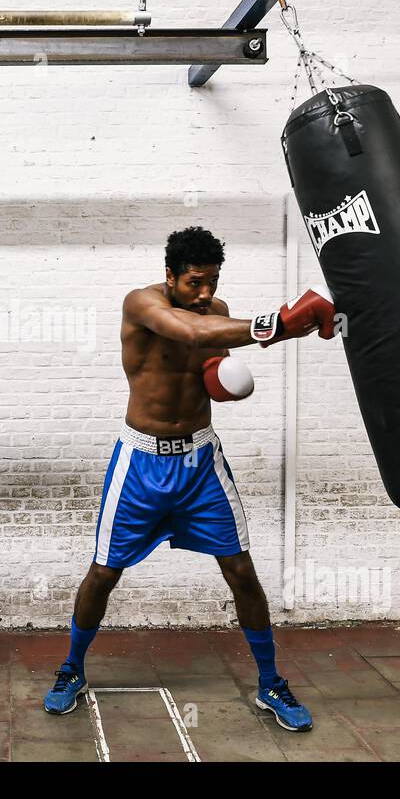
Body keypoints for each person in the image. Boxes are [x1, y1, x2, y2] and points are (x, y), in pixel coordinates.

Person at [43, 226, 337, 732]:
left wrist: (286, 334)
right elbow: (191, 334)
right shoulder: (140, 304)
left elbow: (212, 353)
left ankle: (269, 682)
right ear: (170, 276)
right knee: (104, 572)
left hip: (200, 463)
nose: (205, 295)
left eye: (213, 282)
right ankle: (72, 669)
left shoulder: (216, 312)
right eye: (195, 283)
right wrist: (283, 321)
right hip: (140, 462)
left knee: (241, 571)